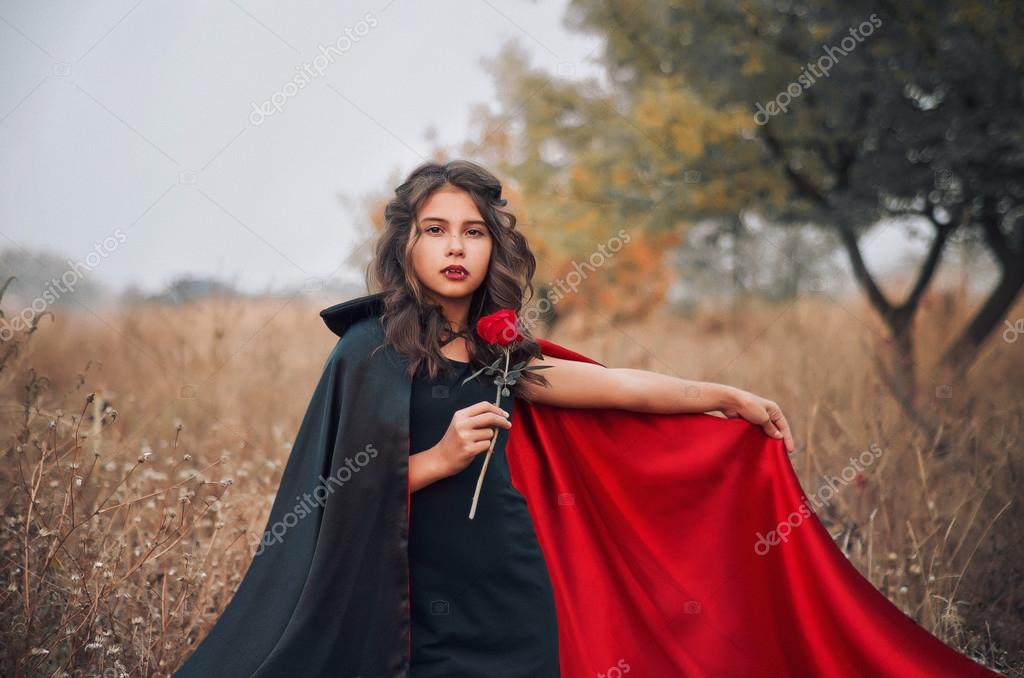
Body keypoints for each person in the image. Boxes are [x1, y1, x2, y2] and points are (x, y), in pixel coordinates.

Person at [174, 160, 1000, 677]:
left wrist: (716, 394)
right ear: (407, 249)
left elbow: (607, 388)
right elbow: (326, 500)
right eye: (435, 231)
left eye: (473, 231)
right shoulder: (364, 350)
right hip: (409, 602)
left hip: (509, 585)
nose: (455, 247)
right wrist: (437, 458)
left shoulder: (501, 354)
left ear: (495, 249)